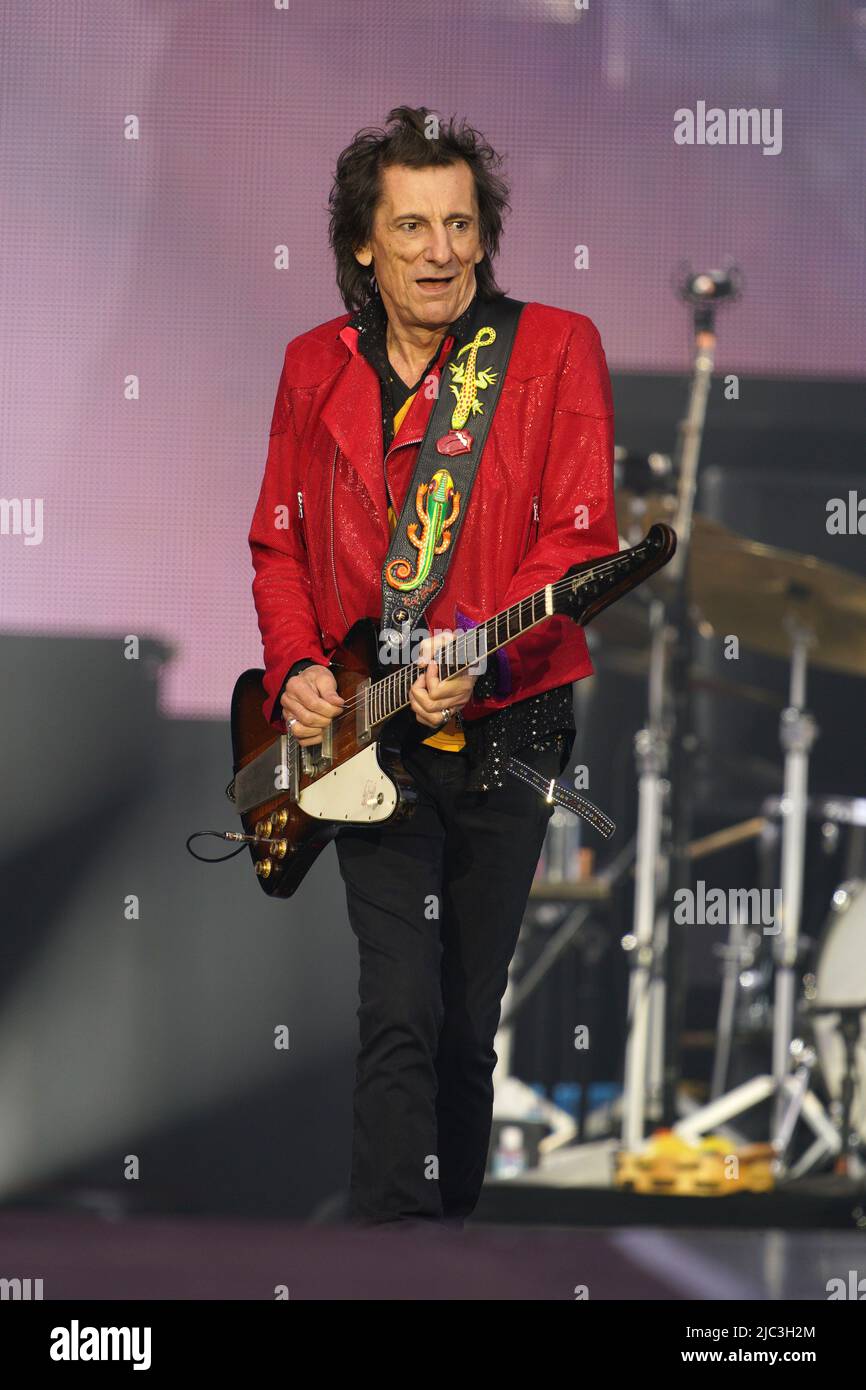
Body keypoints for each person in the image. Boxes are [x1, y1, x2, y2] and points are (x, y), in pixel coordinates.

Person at [249, 106, 618, 1226]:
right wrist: (296, 670)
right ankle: (385, 1261)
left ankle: (447, 1257)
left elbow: (580, 537)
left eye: (458, 224)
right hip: (371, 729)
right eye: (411, 227)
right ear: (364, 242)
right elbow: (276, 541)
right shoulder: (311, 364)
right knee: (398, 1005)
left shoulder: (553, 346)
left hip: (507, 722)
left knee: (465, 1021)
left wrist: (476, 645)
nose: (439, 251)